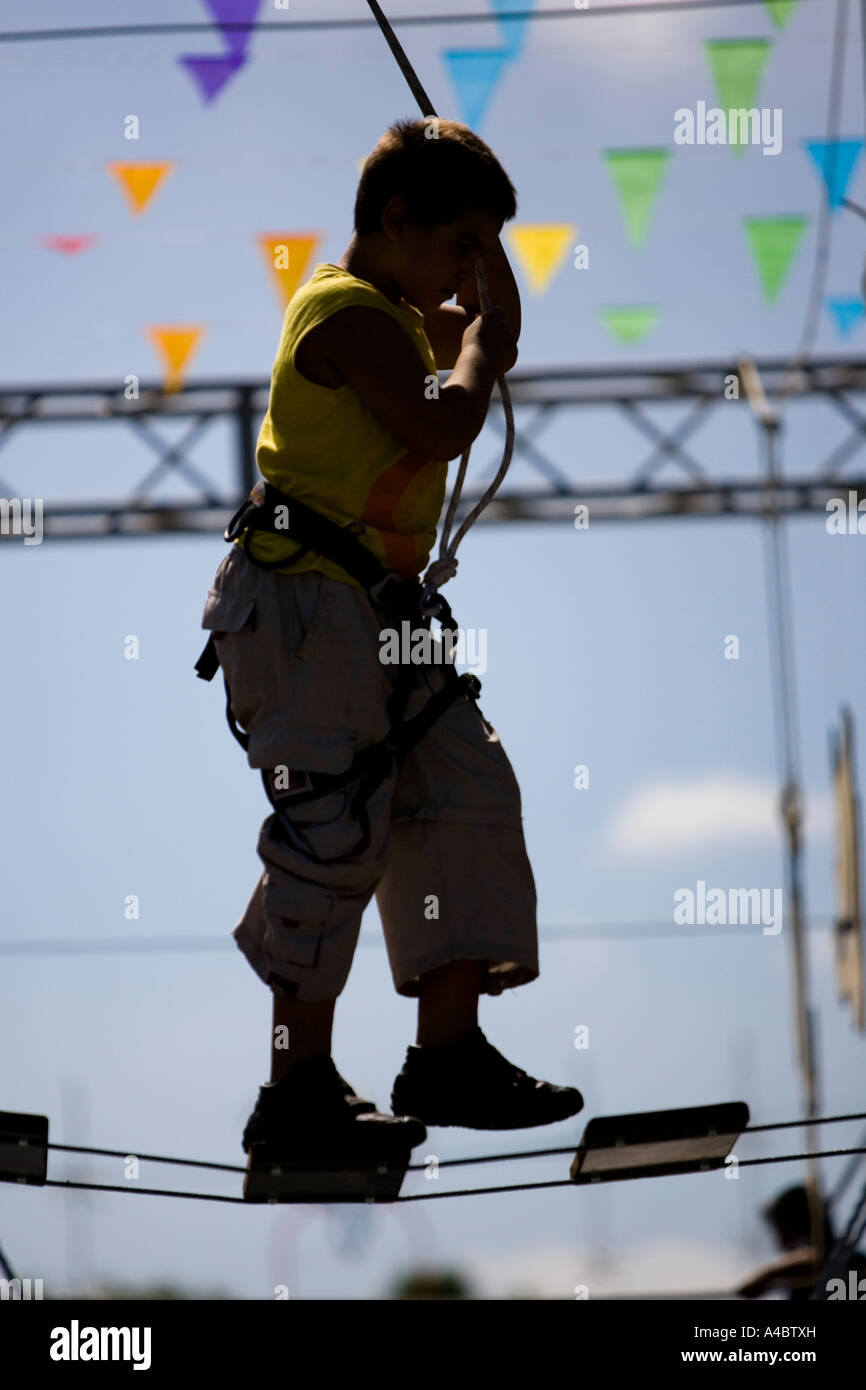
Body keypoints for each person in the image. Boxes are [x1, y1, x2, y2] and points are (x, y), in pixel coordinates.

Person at [198, 118, 583, 1165]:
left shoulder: (406, 322)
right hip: (303, 613)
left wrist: (483, 317)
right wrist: (478, 343)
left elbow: (467, 367)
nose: (469, 269)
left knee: (465, 788)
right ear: (395, 221)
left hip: (380, 614)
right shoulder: (345, 314)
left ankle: (447, 1051)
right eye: (458, 243)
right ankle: (297, 1091)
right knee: (333, 841)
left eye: (481, 251)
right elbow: (440, 424)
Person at [736, 1184, 866, 1300]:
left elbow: (818, 1259)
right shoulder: (848, 1259)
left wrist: (768, 1276)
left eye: (781, 1227)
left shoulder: (844, 1261)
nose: (779, 1238)